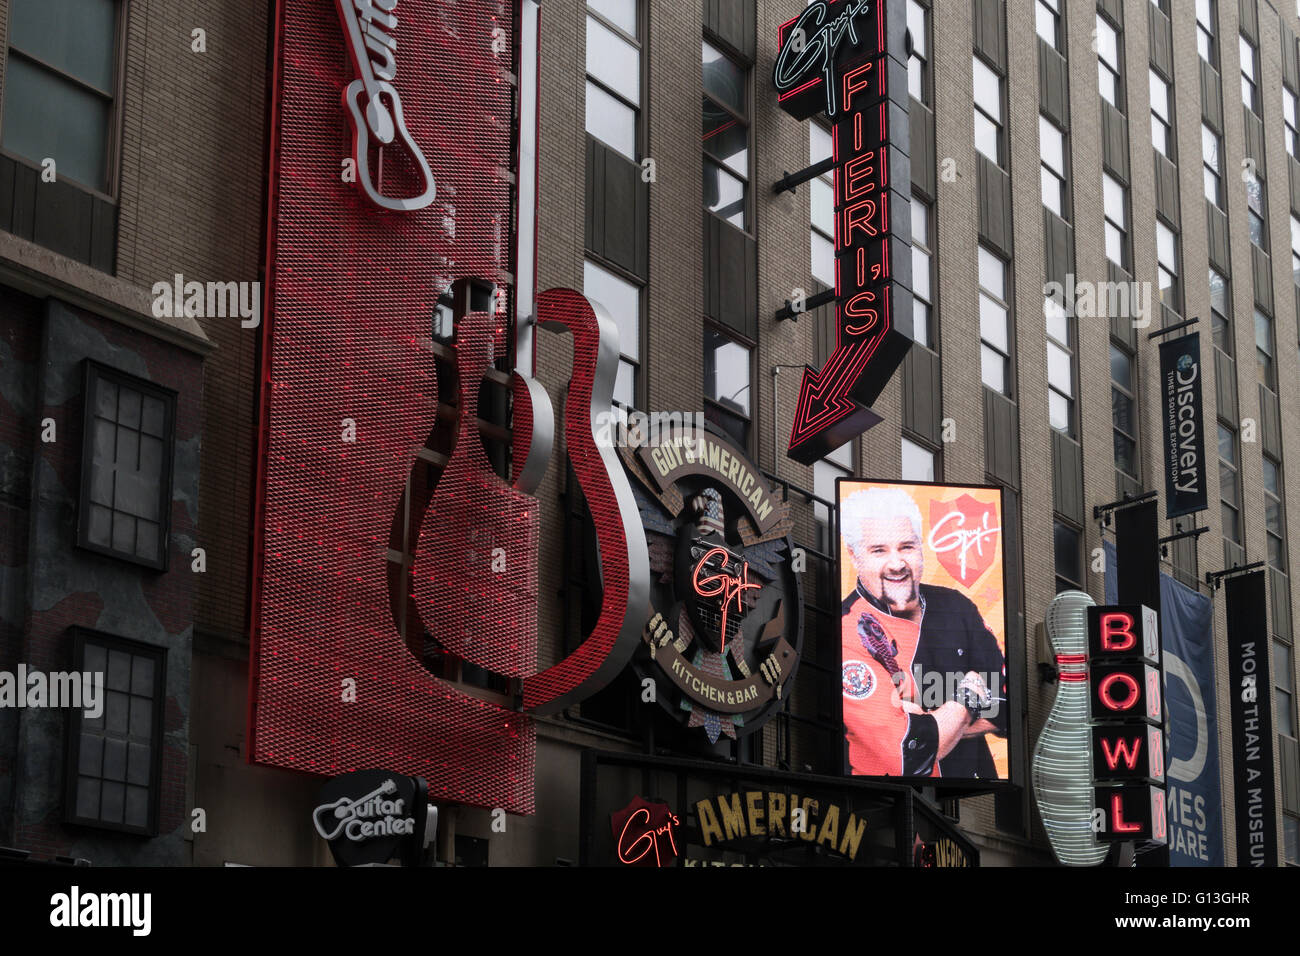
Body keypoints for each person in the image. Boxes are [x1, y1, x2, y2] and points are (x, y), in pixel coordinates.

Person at [839, 486, 1007, 778]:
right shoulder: (847, 631)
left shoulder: (956, 606)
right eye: (879, 550)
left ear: (920, 547)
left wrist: (928, 721)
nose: (897, 564)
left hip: (970, 785)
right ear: (854, 556)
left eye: (907, 546)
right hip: (884, 804)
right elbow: (911, 752)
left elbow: (1006, 709)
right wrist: (967, 696)